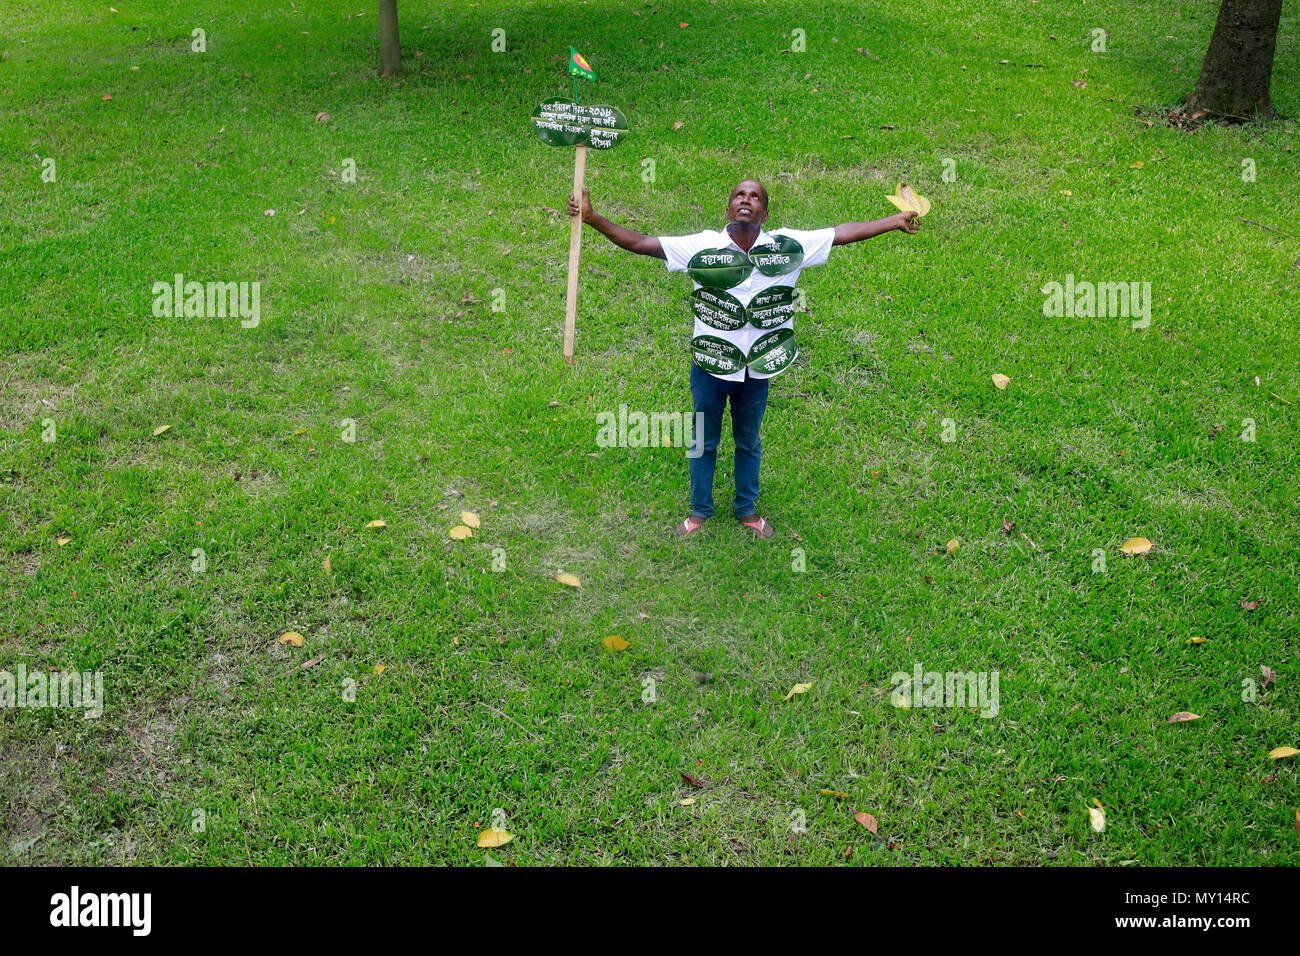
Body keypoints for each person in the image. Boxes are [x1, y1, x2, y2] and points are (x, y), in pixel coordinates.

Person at [569, 179, 920, 538]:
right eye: (739, 195)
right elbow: (641, 243)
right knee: (703, 438)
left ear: (765, 213)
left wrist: (892, 222)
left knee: (748, 439)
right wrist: (593, 218)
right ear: (729, 208)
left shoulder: (788, 246)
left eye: (755, 197)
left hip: (758, 366)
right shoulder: (703, 246)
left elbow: (841, 233)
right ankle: (700, 510)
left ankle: (746, 510)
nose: (746, 200)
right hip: (711, 363)